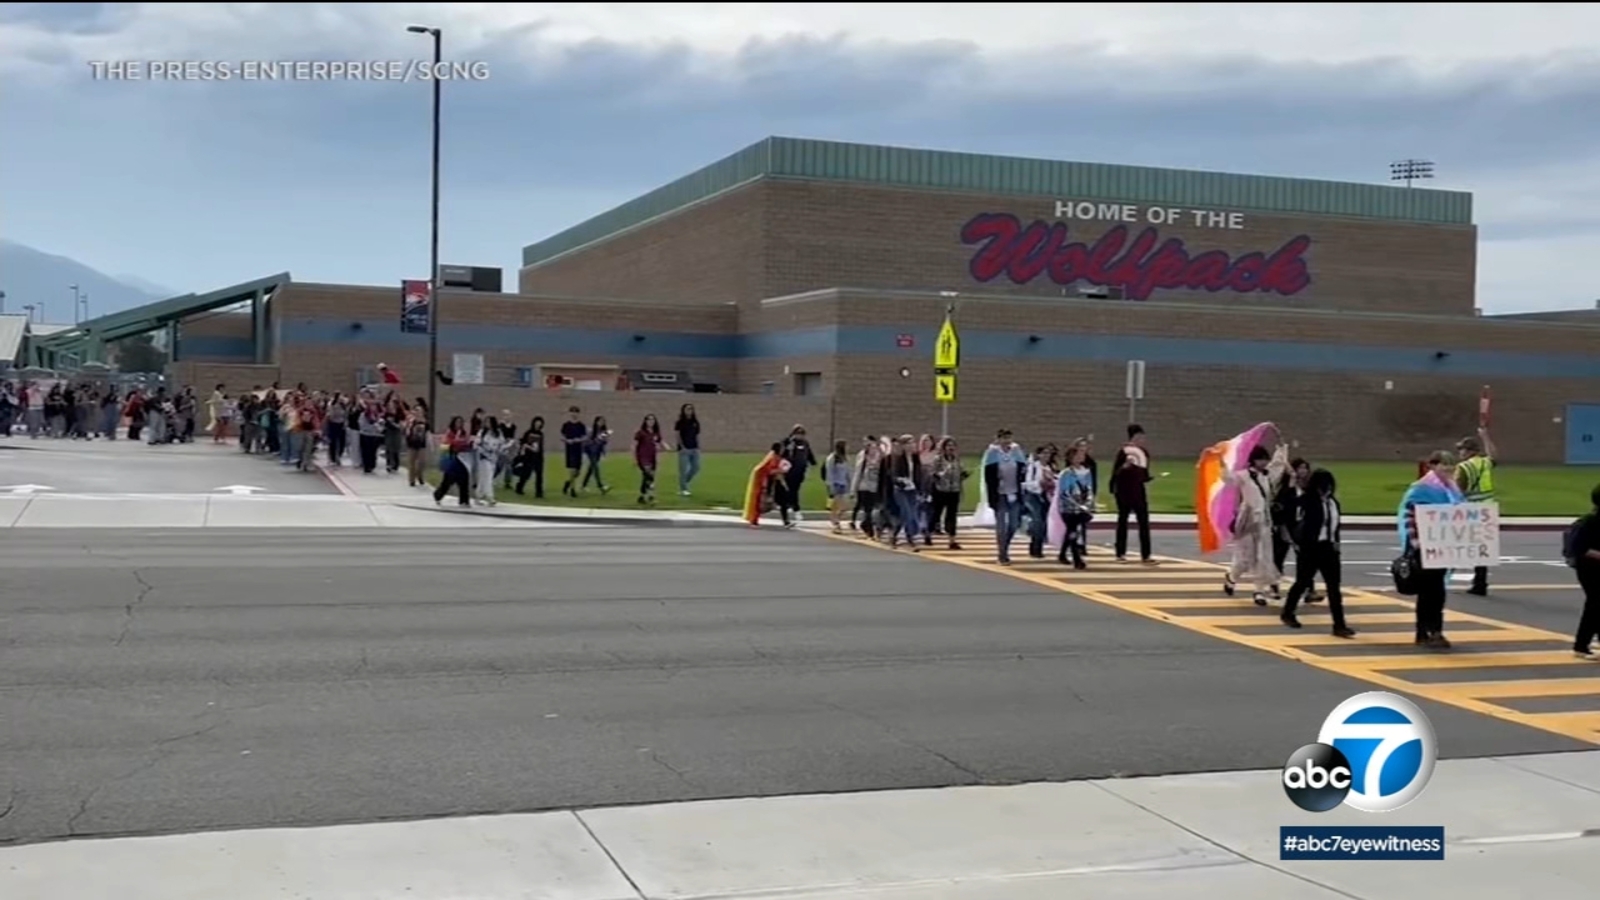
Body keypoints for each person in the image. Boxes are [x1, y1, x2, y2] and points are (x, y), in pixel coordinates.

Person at [1400, 450, 1465, 651]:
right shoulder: (1420, 489)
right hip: (1424, 548)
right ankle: (1427, 631)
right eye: (1443, 465)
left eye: (1451, 465)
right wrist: (1417, 543)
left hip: (1444, 547)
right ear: (1433, 466)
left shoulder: (1452, 490)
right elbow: (1411, 516)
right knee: (1429, 591)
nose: (1447, 469)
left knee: (1437, 591)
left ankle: (1433, 630)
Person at [1280, 468, 1355, 637]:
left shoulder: (1333, 502)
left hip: (1329, 548)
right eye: (1324, 486)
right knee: (1302, 581)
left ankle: (1339, 625)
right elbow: (1289, 510)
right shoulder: (1308, 500)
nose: (1327, 489)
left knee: (1334, 588)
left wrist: (1336, 544)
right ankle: (1288, 612)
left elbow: (1335, 526)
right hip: (1311, 548)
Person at [1224, 442, 1289, 606]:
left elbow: (1278, 466)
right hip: (1247, 520)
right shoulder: (1243, 475)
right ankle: (1232, 577)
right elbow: (1227, 478)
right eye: (1261, 459)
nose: (1264, 463)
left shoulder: (1267, 476)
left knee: (1263, 556)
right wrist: (1221, 460)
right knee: (1244, 558)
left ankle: (1259, 591)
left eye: (1265, 460)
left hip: (1264, 522)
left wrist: (1281, 449)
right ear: (1253, 460)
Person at [1456, 428, 1497, 596]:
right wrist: (1485, 436)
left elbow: (1458, 491)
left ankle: (1477, 583)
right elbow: (1494, 455)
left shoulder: (1464, 467)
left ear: (1471, 451)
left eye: (1462, 449)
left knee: (1461, 545)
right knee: (1482, 548)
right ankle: (1480, 583)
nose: (1460, 452)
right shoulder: (1484, 463)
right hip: (1487, 510)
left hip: (1470, 511)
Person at [1271, 457, 1317, 602]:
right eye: (1300, 468)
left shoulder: (1309, 488)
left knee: (1305, 560)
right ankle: (1274, 585)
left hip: (1302, 527)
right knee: (1279, 557)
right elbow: (1281, 506)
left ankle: (1309, 590)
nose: (1303, 471)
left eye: (1305, 468)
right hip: (1286, 526)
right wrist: (1290, 486)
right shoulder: (1286, 488)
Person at [1111, 424, 1156, 565]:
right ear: (1133, 438)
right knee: (1123, 522)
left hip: (1138, 492)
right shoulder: (1124, 452)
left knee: (1143, 523)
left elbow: (1144, 474)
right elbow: (1116, 473)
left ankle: (1146, 555)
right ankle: (1120, 553)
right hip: (1124, 492)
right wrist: (1124, 468)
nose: (1142, 440)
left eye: (1143, 438)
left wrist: (1148, 478)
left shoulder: (1144, 454)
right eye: (1139, 437)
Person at [982, 429, 1028, 566]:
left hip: (1014, 492)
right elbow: (988, 476)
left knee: (1013, 524)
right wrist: (993, 494)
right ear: (998, 439)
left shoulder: (1016, 451)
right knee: (1001, 525)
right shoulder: (993, 453)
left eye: (1009, 438)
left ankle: (1005, 546)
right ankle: (1002, 554)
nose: (1007, 441)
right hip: (1000, 494)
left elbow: (1023, 469)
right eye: (1003, 438)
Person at [1569, 485, 1600, 660]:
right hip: (1589, 568)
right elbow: (1579, 548)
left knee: (1596, 605)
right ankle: (1581, 645)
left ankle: (1582, 644)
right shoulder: (1590, 521)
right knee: (1595, 604)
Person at [1057, 443, 1096, 569]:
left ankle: (1063, 553)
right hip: (1069, 508)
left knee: (1072, 531)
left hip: (1083, 506)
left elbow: (1089, 489)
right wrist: (1078, 505)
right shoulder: (1066, 473)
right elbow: (1064, 493)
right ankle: (1077, 559)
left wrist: (1088, 503)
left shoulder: (1087, 472)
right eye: (1077, 454)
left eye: (1082, 454)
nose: (1080, 456)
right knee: (1073, 530)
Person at [928, 437, 967, 550]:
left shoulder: (957, 459)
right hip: (940, 490)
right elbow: (933, 473)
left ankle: (952, 540)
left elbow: (961, 471)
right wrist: (941, 474)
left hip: (954, 490)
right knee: (936, 514)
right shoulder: (938, 459)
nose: (951, 448)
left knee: (952, 516)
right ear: (944, 448)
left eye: (952, 446)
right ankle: (928, 534)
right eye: (948, 445)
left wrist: (964, 475)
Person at [887, 435, 923, 550]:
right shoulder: (898, 459)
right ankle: (910, 538)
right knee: (907, 513)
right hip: (901, 490)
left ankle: (894, 535)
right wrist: (901, 481)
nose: (911, 446)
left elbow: (919, 475)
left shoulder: (916, 458)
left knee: (908, 514)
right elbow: (893, 475)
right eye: (908, 443)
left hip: (912, 490)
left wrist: (920, 489)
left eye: (913, 443)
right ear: (903, 446)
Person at [743, 443, 790, 527]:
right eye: (781, 448)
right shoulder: (772, 458)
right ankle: (754, 520)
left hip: (773, 482)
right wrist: (780, 471)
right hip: (766, 482)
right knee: (760, 502)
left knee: (782, 501)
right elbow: (769, 471)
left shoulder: (775, 457)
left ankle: (786, 521)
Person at [779, 425, 817, 524]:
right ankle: (795, 509)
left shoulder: (805, 444)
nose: (800, 436)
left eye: (802, 434)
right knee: (790, 490)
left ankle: (790, 505)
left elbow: (809, 455)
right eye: (798, 434)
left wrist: (813, 463)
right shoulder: (788, 442)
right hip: (789, 471)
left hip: (800, 471)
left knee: (795, 489)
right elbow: (781, 453)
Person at [433, 416, 473, 507]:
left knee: (464, 479)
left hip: (463, 459)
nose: (459, 424)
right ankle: (438, 495)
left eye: (460, 422)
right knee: (449, 479)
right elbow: (448, 443)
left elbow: (467, 442)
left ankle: (464, 500)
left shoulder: (463, 433)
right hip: (453, 458)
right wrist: (457, 441)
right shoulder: (450, 432)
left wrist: (466, 443)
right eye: (457, 422)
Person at [634, 414, 667, 505]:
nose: (650, 421)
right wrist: (634, 458)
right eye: (649, 420)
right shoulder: (641, 432)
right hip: (643, 457)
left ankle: (642, 496)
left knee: (646, 477)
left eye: (652, 420)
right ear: (645, 421)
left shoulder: (655, 433)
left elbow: (660, 441)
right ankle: (651, 496)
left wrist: (666, 447)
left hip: (653, 457)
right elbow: (634, 445)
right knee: (649, 476)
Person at [824, 440, 853, 534]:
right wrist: (830, 485)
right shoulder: (832, 458)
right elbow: (829, 473)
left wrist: (850, 483)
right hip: (835, 484)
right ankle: (836, 523)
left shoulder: (845, 458)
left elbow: (848, 472)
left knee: (845, 506)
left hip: (843, 484)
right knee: (836, 506)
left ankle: (836, 520)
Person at [514, 417, 546, 498]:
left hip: (538, 457)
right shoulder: (528, 432)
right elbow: (523, 443)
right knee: (526, 473)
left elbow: (540, 446)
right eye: (536, 423)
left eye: (539, 423)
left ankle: (539, 492)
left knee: (539, 475)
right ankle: (519, 487)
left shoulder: (541, 434)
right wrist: (525, 449)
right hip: (529, 456)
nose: (538, 425)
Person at [674, 404, 702, 497]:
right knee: (683, 470)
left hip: (694, 448)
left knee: (696, 468)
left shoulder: (695, 422)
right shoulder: (680, 422)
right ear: (684, 410)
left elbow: (697, 435)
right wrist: (682, 447)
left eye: (691, 409)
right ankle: (683, 489)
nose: (689, 410)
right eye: (687, 409)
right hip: (684, 449)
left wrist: (698, 447)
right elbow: (677, 435)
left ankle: (685, 482)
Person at [559, 407, 587, 497]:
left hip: (578, 449)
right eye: (572, 412)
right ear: (569, 413)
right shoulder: (566, 425)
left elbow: (585, 437)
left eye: (576, 412)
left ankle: (568, 483)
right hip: (570, 449)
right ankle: (572, 489)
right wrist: (567, 440)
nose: (574, 414)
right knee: (572, 469)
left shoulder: (581, 425)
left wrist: (578, 440)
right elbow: (562, 437)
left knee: (577, 472)